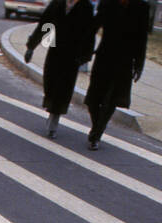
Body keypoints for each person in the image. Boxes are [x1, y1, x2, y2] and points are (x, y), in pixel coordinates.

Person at [24, 0, 98, 139]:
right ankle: (52, 109)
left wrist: (86, 55)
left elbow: (90, 33)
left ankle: (54, 120)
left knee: (63, 89)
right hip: (55, 50)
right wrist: (31, 46)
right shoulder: (57, 3)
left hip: (73, 55)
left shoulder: (85, 7)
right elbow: (45, 23)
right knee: (50, 83)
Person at [84, 0, 152, 150]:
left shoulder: (141, 7)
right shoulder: (108, 3)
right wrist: (85, 50)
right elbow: (94, 26)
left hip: (125, 61)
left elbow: (142, 38)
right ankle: (97, 127)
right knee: (92, 100)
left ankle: (96, 134)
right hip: (104, 57)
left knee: (111, 100)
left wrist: (139, 65)